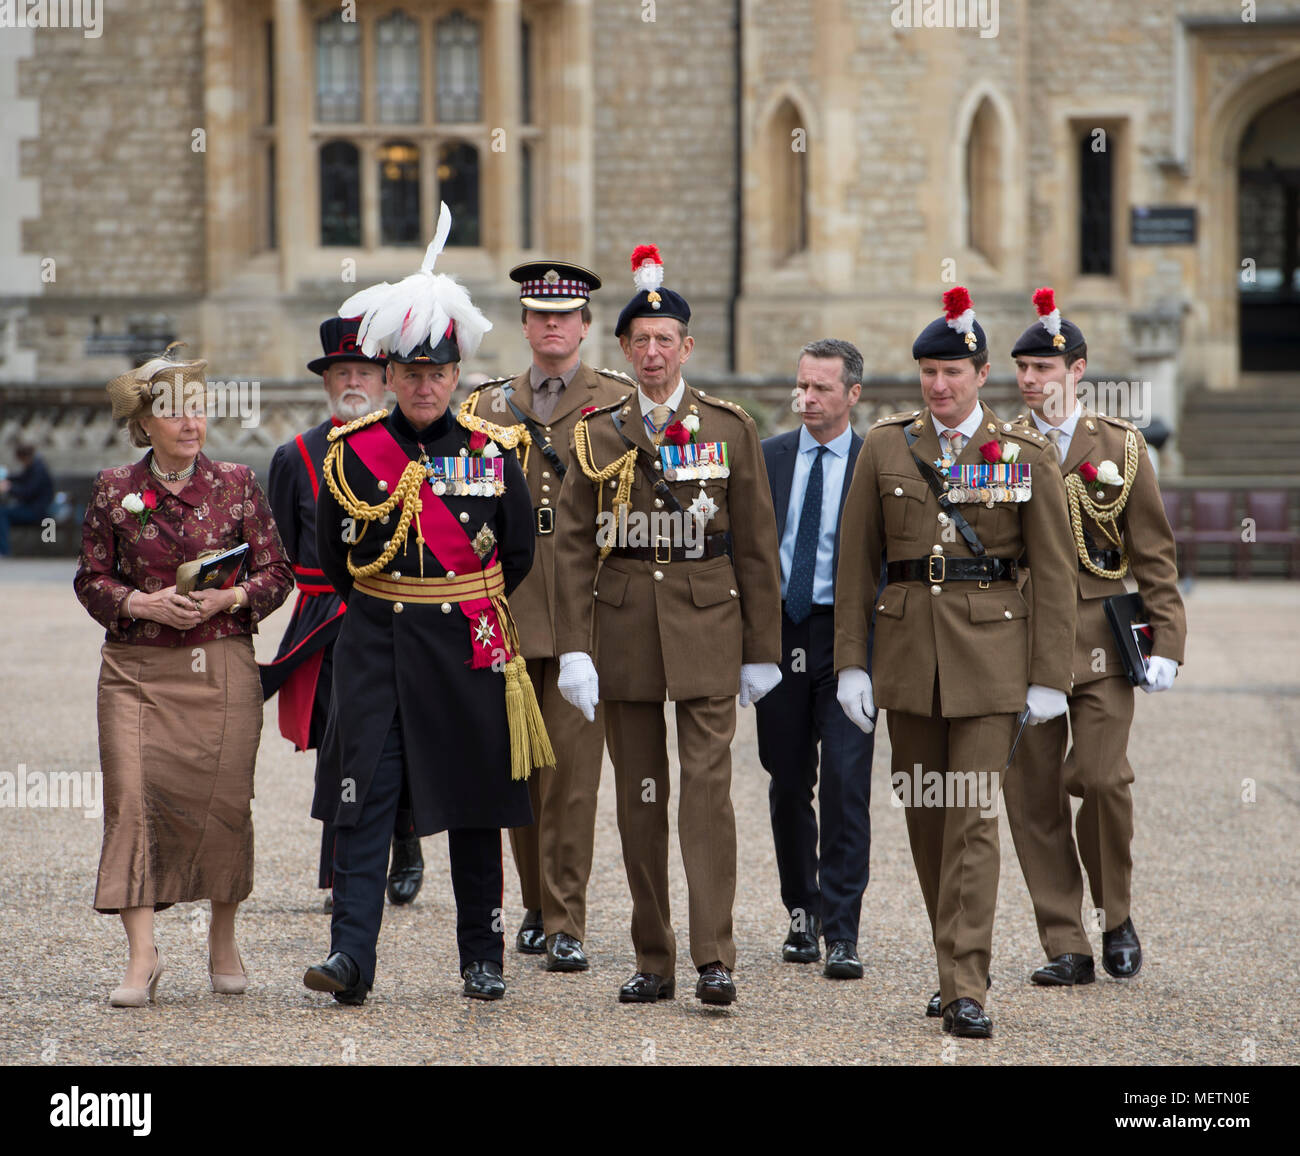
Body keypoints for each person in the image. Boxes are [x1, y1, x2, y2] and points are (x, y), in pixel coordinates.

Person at [302, 205, 546, 1005]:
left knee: (476, 803)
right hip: (376, 643)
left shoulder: (493, 451)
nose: (423, 385)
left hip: (467, 642)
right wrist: (391, 605)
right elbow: (340, 561)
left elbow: (517, 554)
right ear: (389, 375)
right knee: (363, 799)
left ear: (456, 375)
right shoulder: (352, 452)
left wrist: (453, 598)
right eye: (409, 373)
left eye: (437, 373)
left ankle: (482, 955)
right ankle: (351, 958)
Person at [833, 287, 1077, 1038]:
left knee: (971, 816)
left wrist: (1047, 676)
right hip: (907, 659)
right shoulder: (884, 445)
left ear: (979, 375)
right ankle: (954, 961)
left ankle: (965, 984)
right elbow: (855, 564)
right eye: (927, 373)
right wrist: (851, 664)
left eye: (952, 373)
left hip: (989, 660)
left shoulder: (1023, 453)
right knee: (927, 818)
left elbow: (1056, 571)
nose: (939, 386)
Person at [554, 245, 783, 1006]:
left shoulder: (729, 427)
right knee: (642, 796)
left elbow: (754, 546)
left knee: (707, 795)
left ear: (686, 347)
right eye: (640, 341)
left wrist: (762, 651)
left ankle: (714, 957)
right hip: (623, 633)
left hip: (708, 628)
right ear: (621, 349)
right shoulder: (595, 433)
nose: (652, 353)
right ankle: (655, 956)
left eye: (666, 340)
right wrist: (574, 652)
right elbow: (572, 548)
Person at [74, 344, 293, 1006]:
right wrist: (140, 602)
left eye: (198, 408)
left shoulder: (236, 483)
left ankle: (222, 941)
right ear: (146, 424)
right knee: (131, 800)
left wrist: (229, 598)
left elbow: (277, 572)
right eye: (175, 412)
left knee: (224, 804)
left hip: (221, 663)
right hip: (136, 670)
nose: (191, 422)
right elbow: (91, 578)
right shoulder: (114, 488)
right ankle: (143, 957)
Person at [1003, 288, 1186, 984]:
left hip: (1101, 639)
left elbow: (1154, 554)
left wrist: (1167, 641)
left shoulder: (1119, 446)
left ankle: (1116, 914)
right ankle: (1065, 944)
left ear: (1077, 370)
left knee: (1102, 779)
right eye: (1022, 368)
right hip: (1021, 642)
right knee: (1033, 796)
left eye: (1043, 368)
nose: (1030, 380)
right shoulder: (1000, 445)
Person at [459, 261, 628, 971]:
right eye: (539, 315)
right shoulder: (485, 410)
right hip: (509, 620)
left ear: (585, 326)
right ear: (524, 326)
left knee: (574, 781)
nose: (552, 326)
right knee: (518, 773)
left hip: (588, 621)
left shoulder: (618, 405)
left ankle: (567, 920)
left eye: (565, 316)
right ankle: (533, 903)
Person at [260, 319, 426, 911]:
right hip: (324, 626)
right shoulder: (294, 455)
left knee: (404, 732)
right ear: (328, 381)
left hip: (399, 615)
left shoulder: (414, 448)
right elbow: (274, 556)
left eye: (364, 371)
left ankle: (405, 838)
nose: (353, 381)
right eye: (341, 373)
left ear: (385, 379)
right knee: (339, 743)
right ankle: (342, 869)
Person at [756, 338, 874, 980]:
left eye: (822, 388)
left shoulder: (876, 463)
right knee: (787, 779)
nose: (807, 398)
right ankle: (800, 914)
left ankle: (842, 930)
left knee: (847, 785)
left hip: (847, 637)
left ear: (852, 395)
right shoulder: (768, 456)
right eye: (802, 385)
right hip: (780, 635)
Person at [0, 442, 54, 556]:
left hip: (37, 511)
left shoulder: (38, 469)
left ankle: (4, 551)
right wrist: (6, 477)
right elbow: (21, 477)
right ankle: (4, 550)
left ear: (24, 457)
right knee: (3, 511)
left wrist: (9, 488)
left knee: (2, 513)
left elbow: (27, 492)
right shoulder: (35, 466)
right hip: (31, 508)